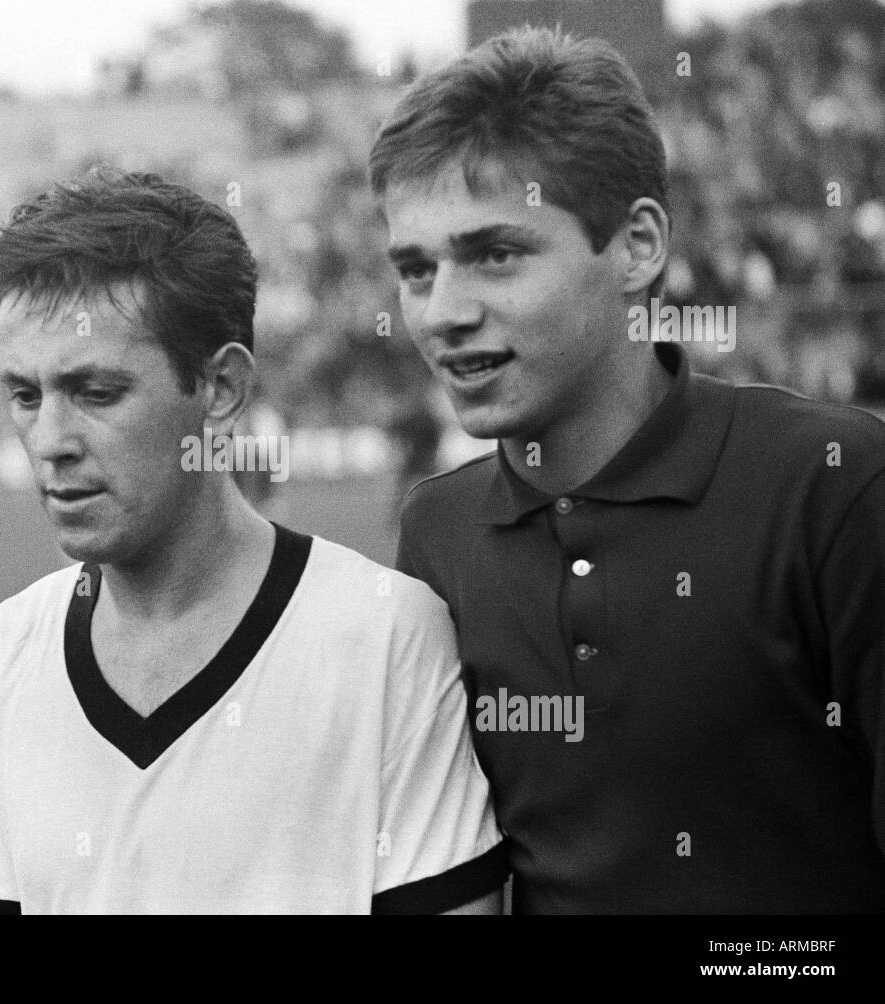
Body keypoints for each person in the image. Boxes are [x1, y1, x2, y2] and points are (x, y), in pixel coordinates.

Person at [370, 26, 885, 913]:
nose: (443, 312)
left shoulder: (834, 485)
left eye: (495, 253)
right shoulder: (437, 534)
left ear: (639, 247)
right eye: (417, 270)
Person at [0, 169, 506, 915]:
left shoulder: (387, 638)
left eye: (96, 393)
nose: (49, 440)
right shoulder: (9, 648)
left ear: (221, 390)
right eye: (25, 394)